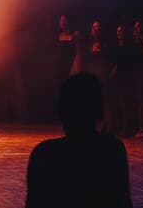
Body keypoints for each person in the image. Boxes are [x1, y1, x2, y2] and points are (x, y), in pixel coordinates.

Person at [25, 73, 132, 208]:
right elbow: (122, 201)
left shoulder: (44, 154)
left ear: (61, 110)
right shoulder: (112, 149)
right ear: (99, 109)